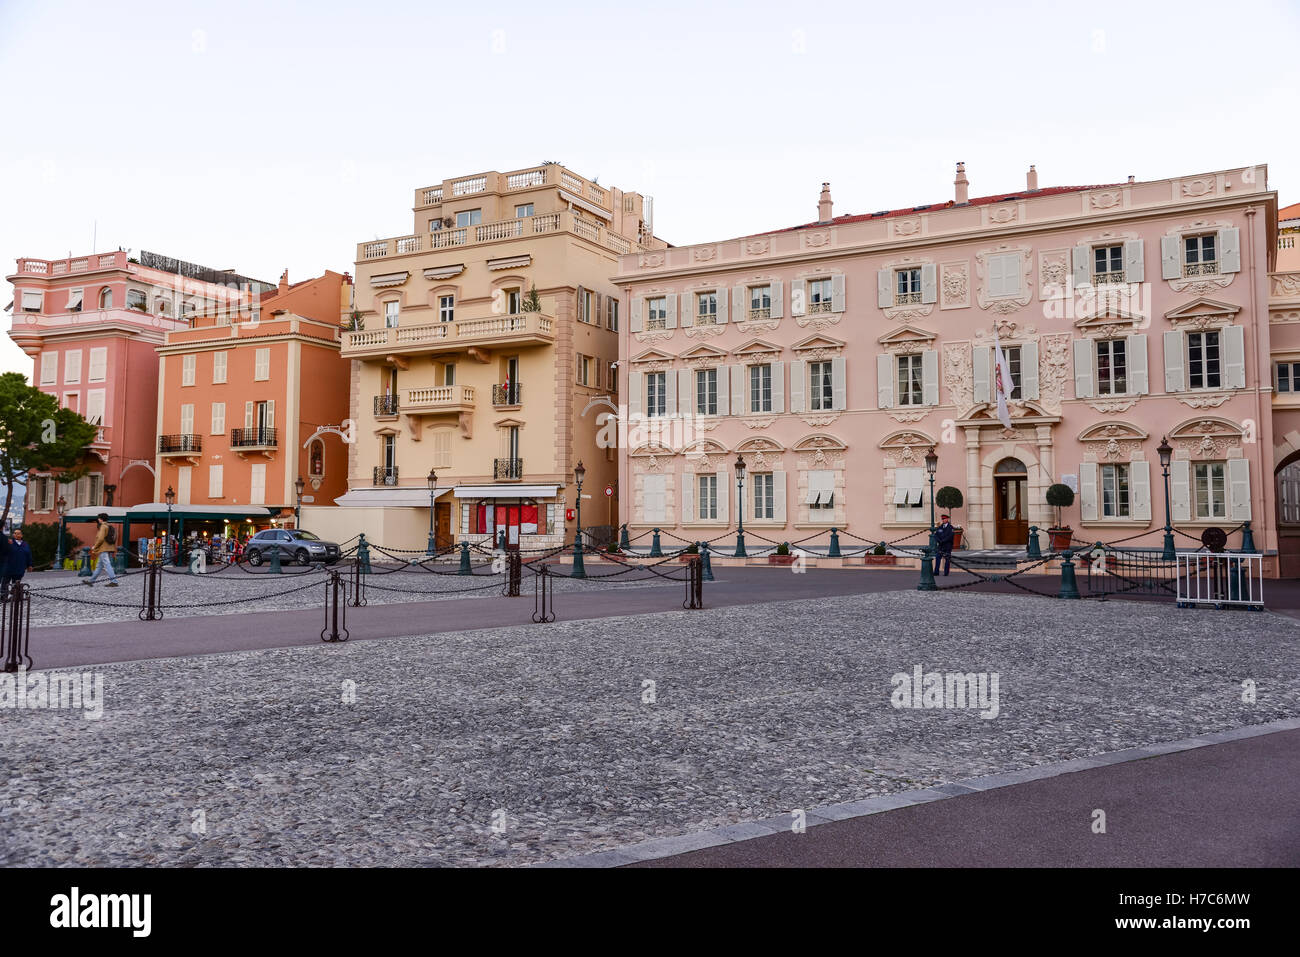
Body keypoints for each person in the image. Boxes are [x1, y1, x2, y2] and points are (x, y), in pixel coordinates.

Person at [84, 513, 119, 587]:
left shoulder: (103, 526)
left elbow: (100, 539)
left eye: (98, 518)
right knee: (99, 566)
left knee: (107, 565)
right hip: (108, 548)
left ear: (100, 519)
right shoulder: (109, 526)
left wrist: (95, 546)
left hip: (103, 548)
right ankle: (91, 581)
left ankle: (114, 581)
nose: (98, 519)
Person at [1, 527, 34, 599]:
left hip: (20, 568)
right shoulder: (9, 542)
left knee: (16, 584)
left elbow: (29, 555)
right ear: (13, 535)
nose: (16, 535)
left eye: (18, 533)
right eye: (15, 533)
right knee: (5, 583)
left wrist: (30, 565)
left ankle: (15, 596)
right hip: (8, 568)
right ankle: (3, 596)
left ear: (22, 535)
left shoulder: (25, 544)